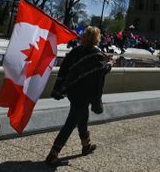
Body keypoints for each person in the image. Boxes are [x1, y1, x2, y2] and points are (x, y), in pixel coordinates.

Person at [45, 26, 114, 166]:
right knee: (71, 122)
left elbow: (65, 69)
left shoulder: (76, 51)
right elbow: (102, 70)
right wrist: (111, 63)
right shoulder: (96, 54)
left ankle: (86, 145)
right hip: (86, 93)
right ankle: (53, 154)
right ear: (96, 38)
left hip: (72, 91)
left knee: (82, 117)